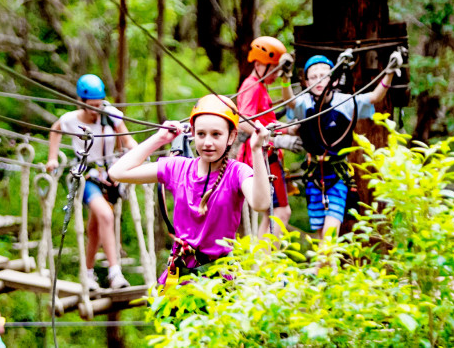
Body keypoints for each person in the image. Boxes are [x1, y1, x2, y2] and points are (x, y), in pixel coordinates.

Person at [108, 95, 271, 286]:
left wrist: (256, 150)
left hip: (218, 279)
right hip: (180, 276)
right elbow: (117, 172)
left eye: (216, 134)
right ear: (192, 133)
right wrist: (159, 139)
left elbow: (261, 203)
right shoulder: (177, 168)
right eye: (201, 134)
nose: (207, 142)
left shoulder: (236, 172)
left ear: (231, 136)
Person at [286, 51, 402, 239]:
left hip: (337, 176)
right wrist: (285, 77)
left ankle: (325, 259)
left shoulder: (345, 102)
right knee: (321, 236)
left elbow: (374, 97)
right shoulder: (304, 103)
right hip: (314, 177)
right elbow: (290, 101)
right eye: (313, 77)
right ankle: (325, 260)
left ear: (333, 80)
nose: (318, 81)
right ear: (306, 83)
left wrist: (389, 72)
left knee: (330, 236)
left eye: (323, 76)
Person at [46, 74, 136, 289]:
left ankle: (87, 274)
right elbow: (55, 130)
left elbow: (128, 140)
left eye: (99, 105)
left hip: (110, 177)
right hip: (85, 176)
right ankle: (115, 273)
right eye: (91, 106)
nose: (96, 110)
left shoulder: (111, 115)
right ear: (81, 102)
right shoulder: (71, 119)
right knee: (106, 215)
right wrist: (52, 157)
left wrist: (143, 154)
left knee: (95, 228)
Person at [236, 36, 302, 237]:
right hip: (262, 155)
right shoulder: (253, 86)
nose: (276, 75)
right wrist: (277, 139)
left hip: (267, 154)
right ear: (258, 64)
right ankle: (269, 257)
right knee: (281, 212)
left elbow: (264, 121)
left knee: (271, 213)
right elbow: (243, 121)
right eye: (273, 69)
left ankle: (261, 256)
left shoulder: (259, 86)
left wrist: (288, 129)